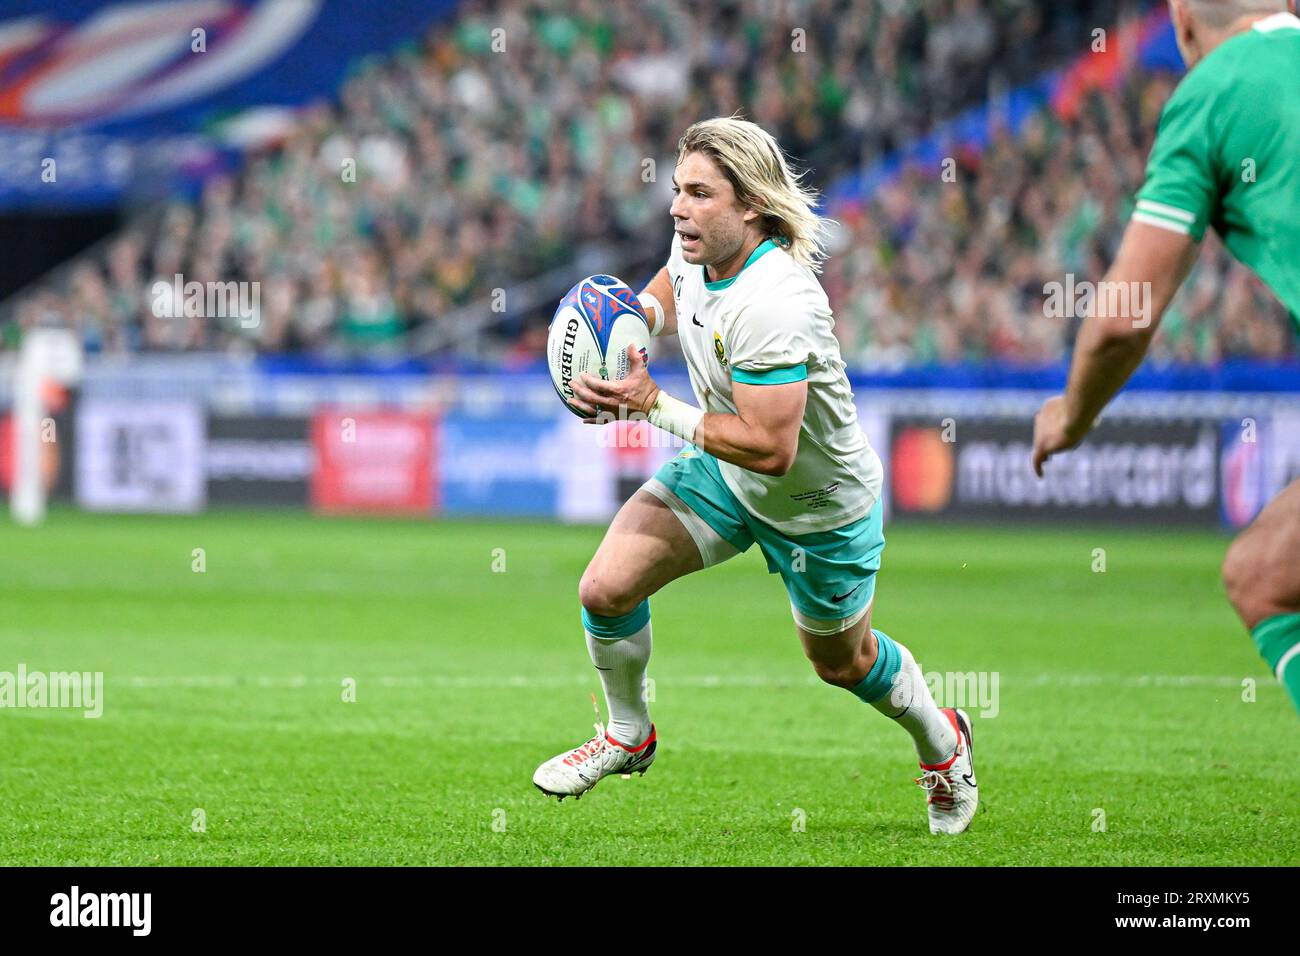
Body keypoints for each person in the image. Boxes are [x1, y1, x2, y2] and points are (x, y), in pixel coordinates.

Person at [532, 117, 978, 834]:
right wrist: (628, 324)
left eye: (699, 193)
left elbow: (771, 446)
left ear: (750, 204)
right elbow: (669, 291)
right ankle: (628, 733)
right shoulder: (697, 250)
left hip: (816, 507)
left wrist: (650, 404)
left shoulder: (774, 301)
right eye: (678, 189)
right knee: (605, 588)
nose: (678, 206)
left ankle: (942, 742)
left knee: (844, 663)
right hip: (725, 476)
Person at [1032, 1, 1300, 716]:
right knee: (1265, 570)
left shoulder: (1213, 94)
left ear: (1182, 22)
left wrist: (1073, 414)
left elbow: (1123, 317)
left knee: (1263, 578)